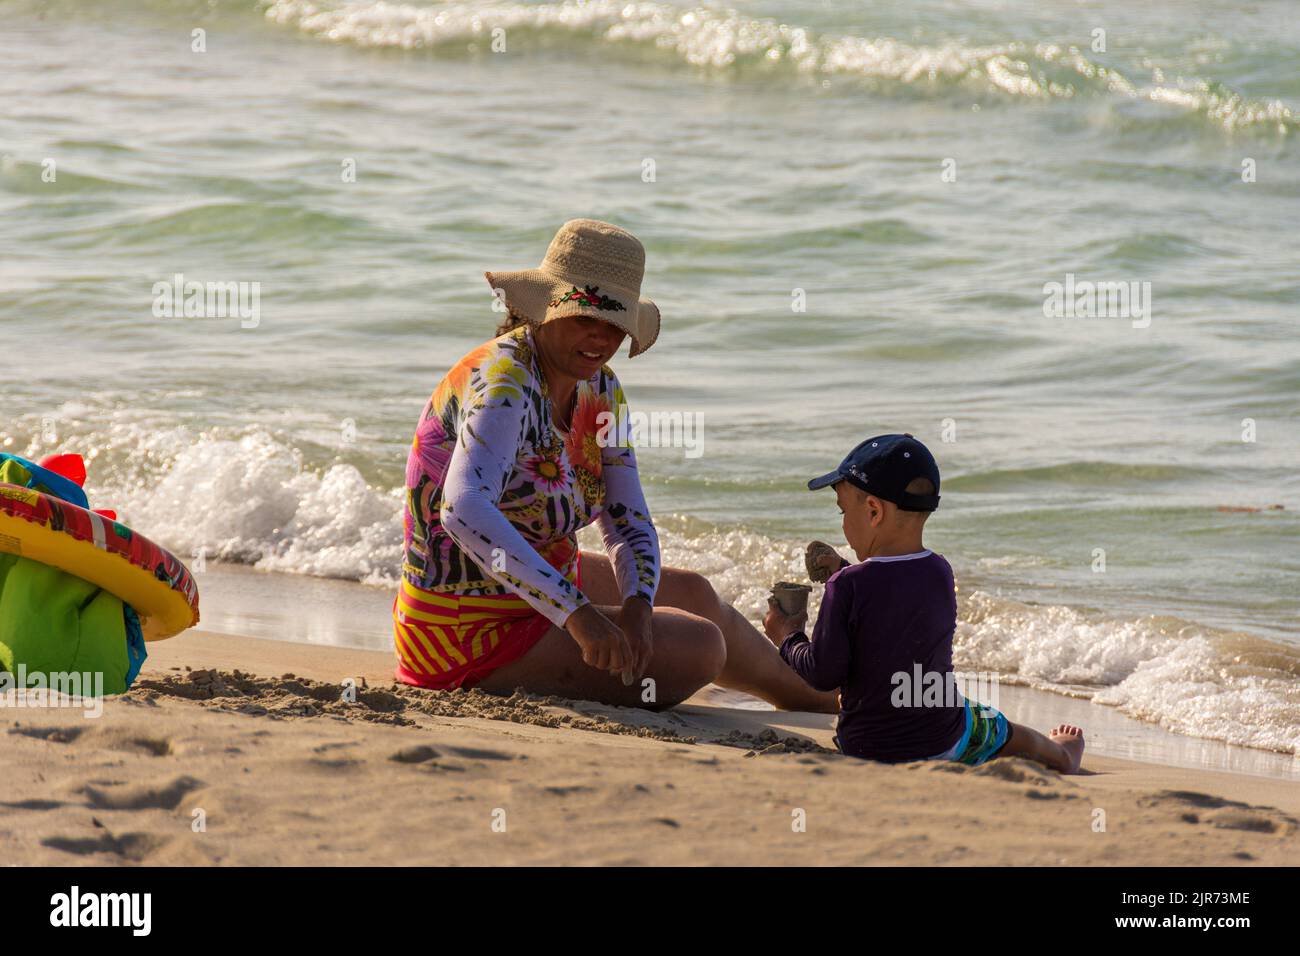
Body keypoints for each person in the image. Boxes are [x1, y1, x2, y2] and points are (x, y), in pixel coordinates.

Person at [395, 218, 836, 712]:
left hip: (537, 586)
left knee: (695, 594)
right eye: (586, 317)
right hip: (462, 625)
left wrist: (637, 606)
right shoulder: (505, 382)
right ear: (545, 308)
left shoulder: (602, 389)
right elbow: (463, 510)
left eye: (615, 324)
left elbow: (626, 519)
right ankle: (822, 702)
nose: (601, 338)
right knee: (702, 646)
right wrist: (578, 616)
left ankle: (818, 701)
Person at [763, 433, 1085, 772]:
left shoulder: (846, 587)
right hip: (943, 739)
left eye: (843, 511)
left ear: (873, 511)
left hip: (867, 747)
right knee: (1003, 729)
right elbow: (892, 606)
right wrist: (843, 569)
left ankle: (1061, 755)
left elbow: (823, 673)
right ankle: (1060, 755)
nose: (842, 523)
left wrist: (788, 635)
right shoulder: (939, 572)